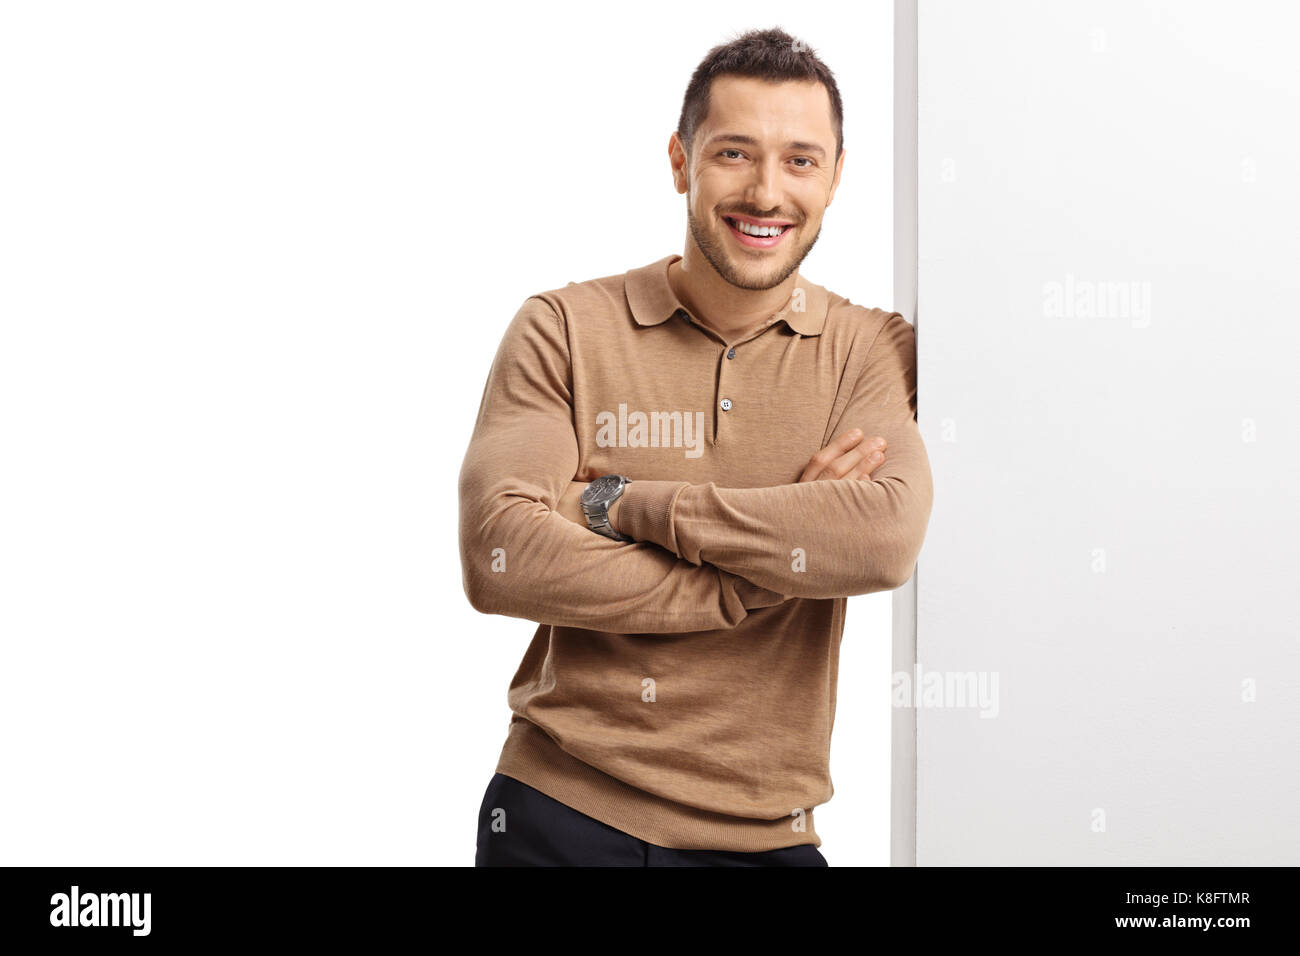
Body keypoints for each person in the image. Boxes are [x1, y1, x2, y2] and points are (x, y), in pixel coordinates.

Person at [459, 26, 933, 866]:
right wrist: (764, 572)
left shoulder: (869, 349)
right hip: (558, 812)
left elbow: (882, 540)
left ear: (835, 178)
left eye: (799, 160)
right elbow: (502, 555)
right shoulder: (564, 328)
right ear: (680, 161)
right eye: (734, 153)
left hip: (767, 838)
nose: (765, 192)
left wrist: (614, 504)